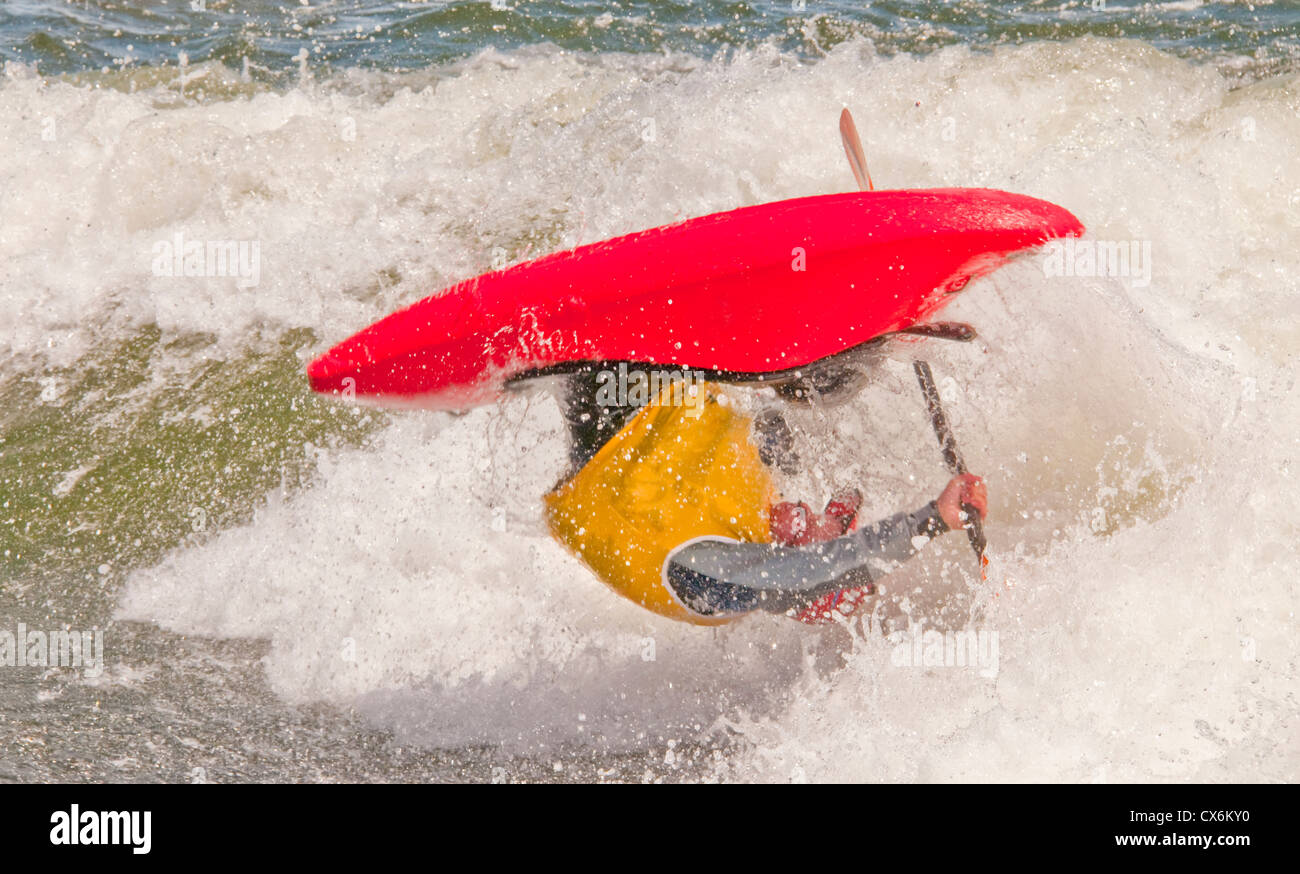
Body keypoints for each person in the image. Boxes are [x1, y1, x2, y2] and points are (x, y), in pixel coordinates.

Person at [543, 356, 988, 625]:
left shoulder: (711, 576)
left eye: (824, 533)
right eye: (826, 516)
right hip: (658, 400)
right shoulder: (757, 504)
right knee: (819, 380)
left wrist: (933, 519)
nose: (809, 515)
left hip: (610, 420)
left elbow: (814, 574)